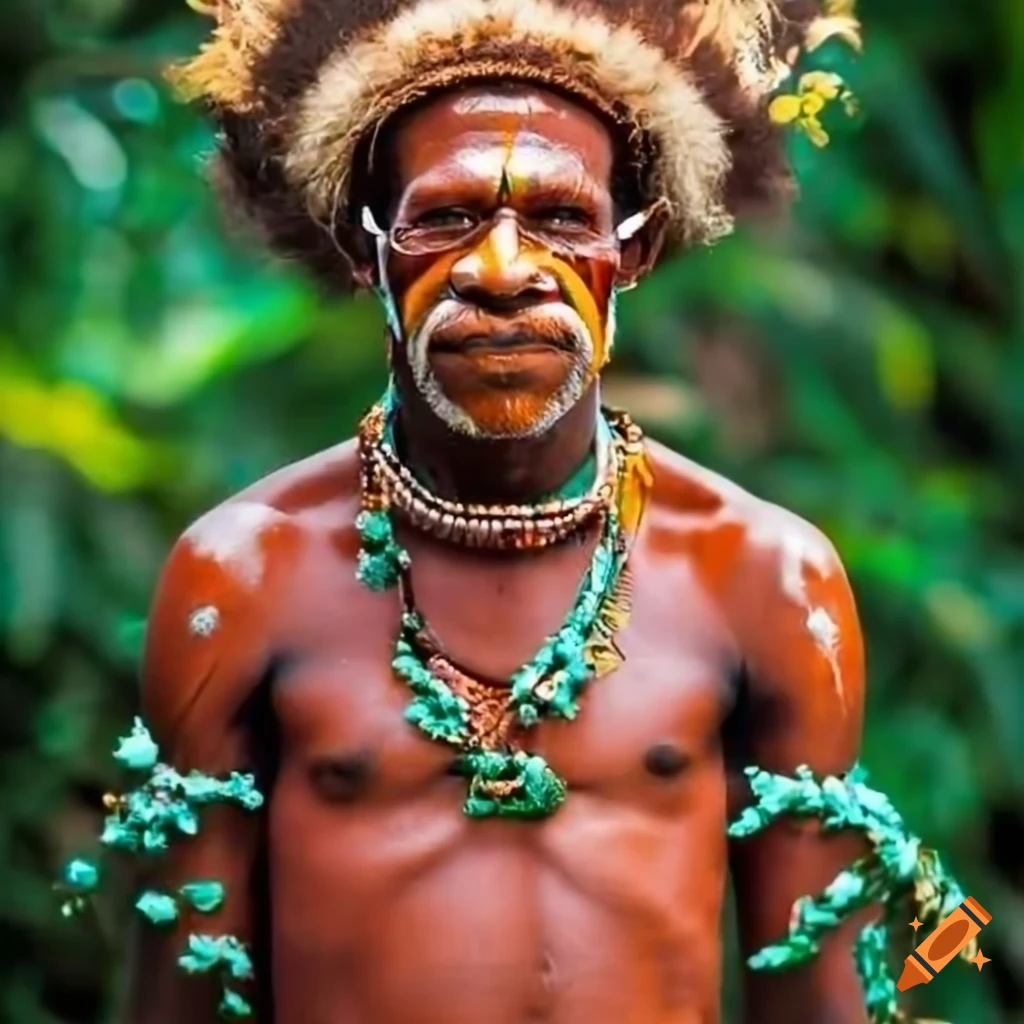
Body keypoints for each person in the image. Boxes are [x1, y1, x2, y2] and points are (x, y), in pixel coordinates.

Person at [102, 1, 892, 1021]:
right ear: (367, 248)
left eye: (563, 219)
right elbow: (174, 1001)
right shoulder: (240, 580)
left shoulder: (766, 581)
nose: (504, 271)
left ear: (633, 252)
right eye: (445, 217)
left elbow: (825, 1002)